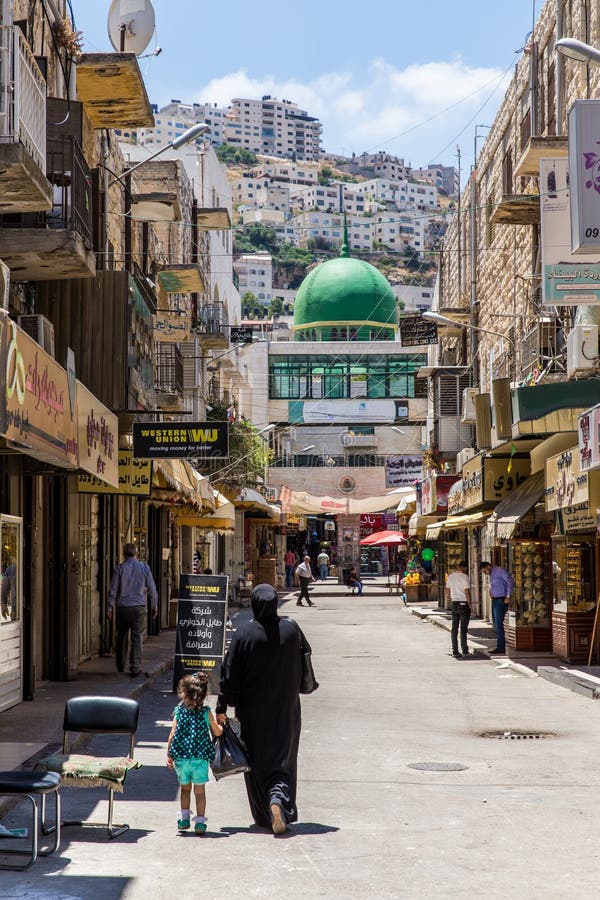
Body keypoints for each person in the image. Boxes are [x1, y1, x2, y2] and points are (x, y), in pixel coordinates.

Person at [216, 583, 307, 834]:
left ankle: (264, 813)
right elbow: (305, 661)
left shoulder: (244, 634)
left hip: (252, 713)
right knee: (284, 759)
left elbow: (229, 673)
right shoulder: (291, 629)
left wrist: (221, 706)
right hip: (286, 710)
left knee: (255, 761)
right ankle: (278, 801)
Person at [167, 672, 223, 834]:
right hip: (200, 760)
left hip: (181, 759)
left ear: (184, 693)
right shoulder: (206, 712)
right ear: (203, 695)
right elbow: (217, 733)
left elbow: (172, 734)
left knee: (185, 789)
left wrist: (169, 756)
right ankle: (200, 823)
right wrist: (221, 723)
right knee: (200, 792)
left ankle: (184, 820)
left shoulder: (179, 711)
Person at [107, 543, 158, 677]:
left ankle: (120, 665)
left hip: (123, 607)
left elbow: (113, 590)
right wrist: (154, 606)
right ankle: (134, 667)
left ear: (124, 554)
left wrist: (109, 607)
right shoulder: (145, 568)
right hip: (138, 608)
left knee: (121, 637)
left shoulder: (120, 568)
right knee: (137, 637)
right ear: (136, 554)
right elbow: (152, 590)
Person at [480, 561, 514, 655]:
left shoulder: (500, 570)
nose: (485, 573)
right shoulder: (491, 574)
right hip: (495, 599)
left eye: (485, 571)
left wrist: (508, 595)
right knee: (495, 624)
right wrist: (491, 591)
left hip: (501, 599)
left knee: (499, 624)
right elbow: (496, 584)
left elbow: (509, 580)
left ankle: (501, 647)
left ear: (488, 566)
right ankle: (500, 645)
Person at [445, 560, 471, 658]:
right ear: (463, 568)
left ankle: (455, 650)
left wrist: (451, 598)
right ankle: (465, 650)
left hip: (454, 603)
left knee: (454, 628)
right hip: (463, 602)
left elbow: (447, 591)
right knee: (463, 628)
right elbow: (467, 592)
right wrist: (470, 604)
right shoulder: (464, 577)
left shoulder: (450, 577)